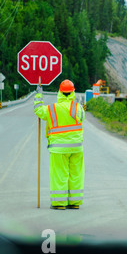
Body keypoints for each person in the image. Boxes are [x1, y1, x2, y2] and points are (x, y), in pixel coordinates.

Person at [34, 79, 85, 210]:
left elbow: (39, 111)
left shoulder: (52, 109)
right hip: (76, 147)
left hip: (59, 148)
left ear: (60, 92)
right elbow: (82, 118)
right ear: (73, 92)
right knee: (75, 174)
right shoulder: (77, 107)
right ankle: (74, 202)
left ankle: (59, 203)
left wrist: (39, 95)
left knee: (60, 174)